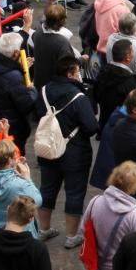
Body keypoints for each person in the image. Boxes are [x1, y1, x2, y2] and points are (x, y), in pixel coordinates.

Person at [34, 56, 99, 248]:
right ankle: (72, 235)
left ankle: (44, 229)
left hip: (48, 148)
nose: (79, 74)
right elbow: (90, 126)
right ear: (70, 73)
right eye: (77, 71)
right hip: (75, 151)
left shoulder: (44, 91)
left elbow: (38, 113)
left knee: (47, 188)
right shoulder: (78, 97)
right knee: (75, 191)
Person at [0, 33, 36, 153]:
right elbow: (26, 104)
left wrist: (19, 67)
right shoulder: (13, 77)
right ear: (16, 53)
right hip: (11, 129)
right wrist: (31, 89)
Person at [0, 140, 42, 240]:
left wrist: (13, 168)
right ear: (9, 160)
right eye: (15, 155)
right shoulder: (20, 184)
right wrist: (27, 179)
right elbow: (37, 201)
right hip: (17, 232)